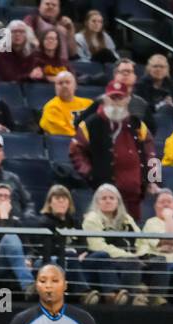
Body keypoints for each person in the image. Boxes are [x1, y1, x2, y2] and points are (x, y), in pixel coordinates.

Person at [68, 82, 156, 221]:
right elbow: (75, 151)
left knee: (132, 232)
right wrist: (90, 174)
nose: (116, 102)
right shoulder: (91, 123)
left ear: (127, 99)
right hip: (105, 195)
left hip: (134, 194)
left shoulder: (137, 124)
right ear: (105, 99)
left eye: (120, 98)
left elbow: (151, 153)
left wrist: (154, 180)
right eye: (112, 98)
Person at [80, 182, 152, 306]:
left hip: (132, 256)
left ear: (118, 202)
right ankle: (128, 299)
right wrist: (128, 255)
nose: (108, 201)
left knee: (160, 261)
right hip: (106, 259)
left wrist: (142, 253)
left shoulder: (126, 218)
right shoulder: (92, 218)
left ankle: (157, 298)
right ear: (97, 202)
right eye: (104, 198)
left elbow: (142, 239)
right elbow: (97, 246)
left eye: (111, 198)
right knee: (132, 263)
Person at [39, 71, 93, 137]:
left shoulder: (89, 103)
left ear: (75, 86)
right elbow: (63, 133)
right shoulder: (51, 108)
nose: (64, 86)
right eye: (60, 83)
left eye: (68, 82)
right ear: (55, 87)